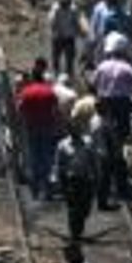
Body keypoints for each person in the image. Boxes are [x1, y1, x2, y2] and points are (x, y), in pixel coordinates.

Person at [53, 98, 102, 241]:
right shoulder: (63, 145)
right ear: (69, 131)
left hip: (86, 180)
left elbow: (94, 161)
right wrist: (57, 180)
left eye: (78, 129)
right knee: (73, 209)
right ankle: (75, 233)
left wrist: (98, 176)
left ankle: (78, 226)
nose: (76, 132)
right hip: (71, 181)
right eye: (73, 130)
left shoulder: (88, 142)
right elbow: (58, 164)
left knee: (85, 208)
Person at [14, 61, 62, 201]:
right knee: (47, 157)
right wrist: (58, 126)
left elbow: (19, 110)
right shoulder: (49, 91)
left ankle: (35, 190)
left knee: (33, 157)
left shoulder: (26, 92)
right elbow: (56, 112)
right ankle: (47, 189)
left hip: (31, 128)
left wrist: (20, 124)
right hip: (47, 127)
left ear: (32, 78)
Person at [91, 47, 132, 152]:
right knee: (123, 127)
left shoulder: (102, 66)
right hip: (122, 100)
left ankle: (105, 144)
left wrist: (97, 94)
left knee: (103, 123)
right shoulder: (127, 67)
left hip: (105, 99)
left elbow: (93, 83)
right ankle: (120, 147)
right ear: (123, 56)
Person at [48, 0, 83, 80]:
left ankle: (68, 75)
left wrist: (78, 31)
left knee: (69, 58)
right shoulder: (56, 8)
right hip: (60, 37)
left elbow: (77, 22)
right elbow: (52, 22)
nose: (65, 3)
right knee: (57, 57)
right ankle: (57, 74)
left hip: (67, 37)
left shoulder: (72, 9)